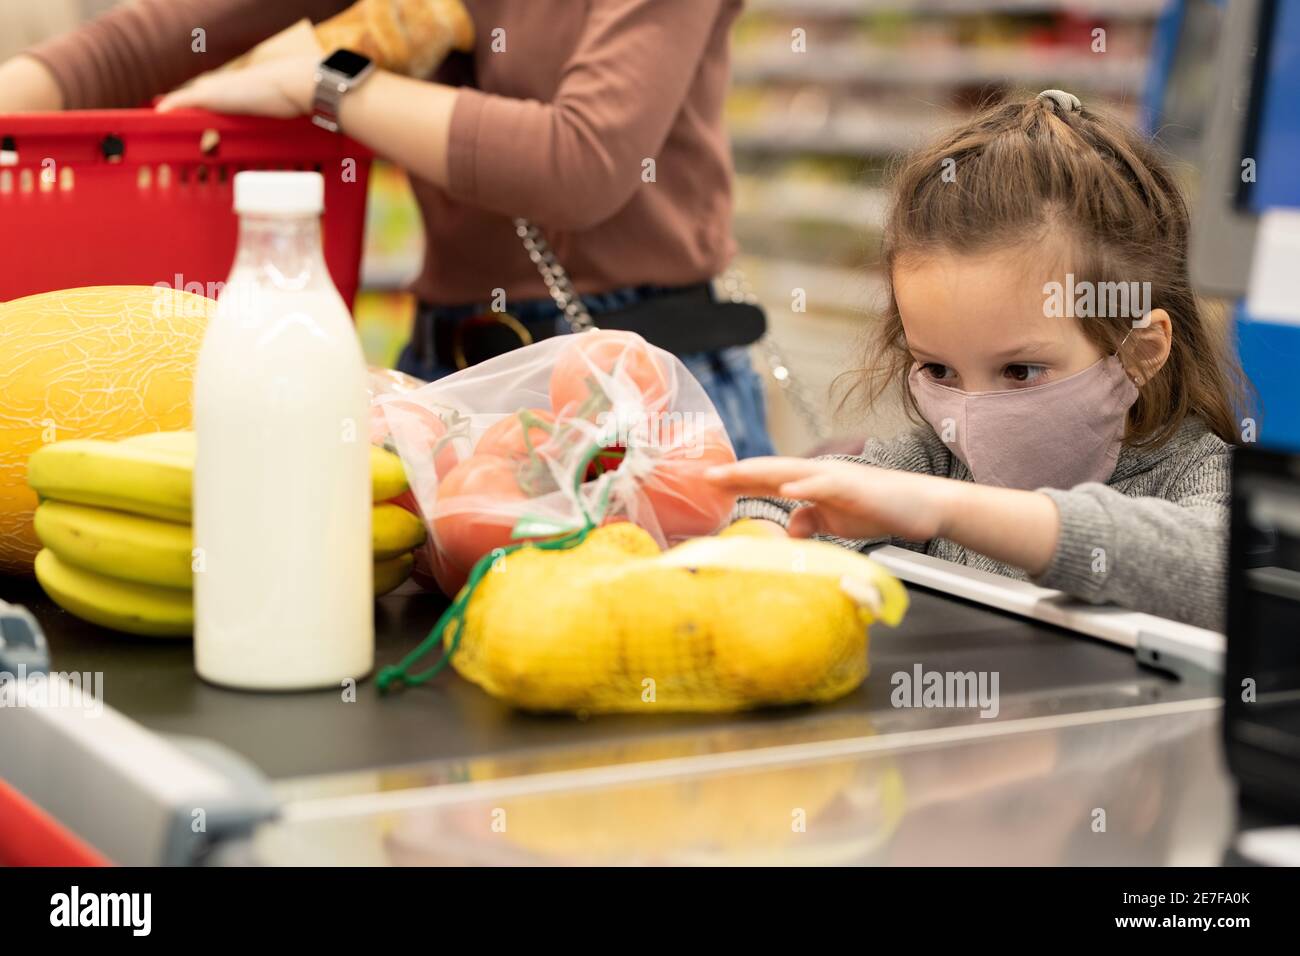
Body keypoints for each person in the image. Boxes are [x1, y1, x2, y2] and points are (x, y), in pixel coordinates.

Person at [0, 0, 775, 458]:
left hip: (639, 384)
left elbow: (583, 161)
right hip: (447, 373)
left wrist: (325, 86)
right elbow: (136, 45)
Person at [708, 91, 1248, 630]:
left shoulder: (1196, 474)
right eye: (939, 371)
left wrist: (950, 510)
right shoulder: (937, 462)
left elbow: (1221, 571)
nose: (970, 417)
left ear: (1139, 351)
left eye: (1019, 371)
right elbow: (784, 503)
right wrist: (761, 537)